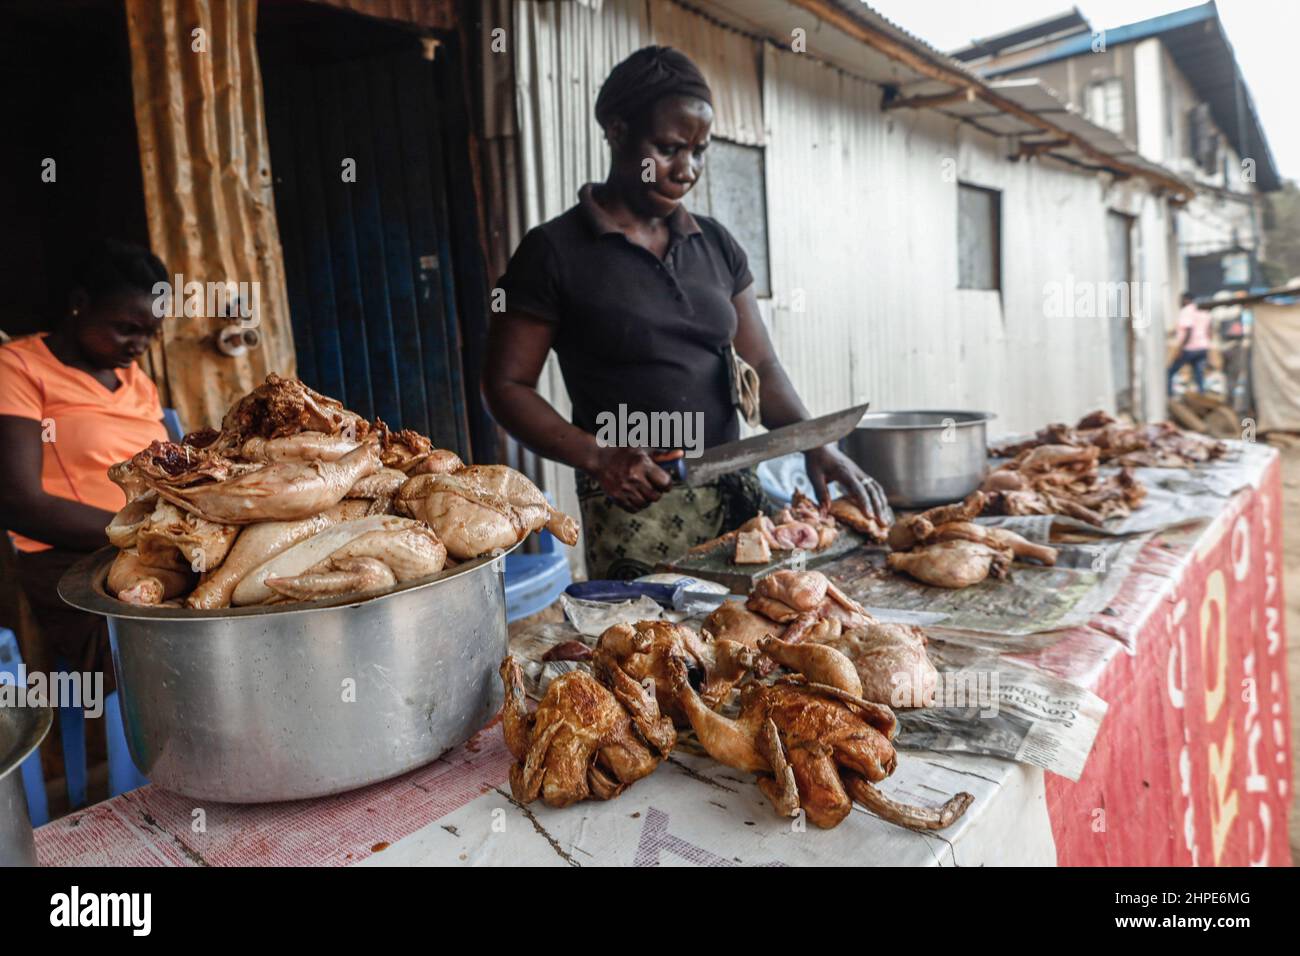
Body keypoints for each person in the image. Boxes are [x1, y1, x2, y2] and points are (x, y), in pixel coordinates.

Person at [484, 46, 889, 579]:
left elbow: (762, 366)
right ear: (617, 129)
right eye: (670, 148)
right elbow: (506, 385)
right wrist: (599, 457)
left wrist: (815, 444)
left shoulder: (715, 243)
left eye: (700, 151)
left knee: (751, 639)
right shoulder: (555, 251)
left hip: (735, 495)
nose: (687, 170)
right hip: (637, 503)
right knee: (659, 652)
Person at [0, 238, 168, 705]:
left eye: (150, 333)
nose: (138, 346)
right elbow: (18, 503)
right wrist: (141, 535)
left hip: (157, 547)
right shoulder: (19, 369)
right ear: (80, 305)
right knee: (172, 646)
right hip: (76, 560)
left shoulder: (138, 382)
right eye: (126, 328)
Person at [1168, 292, 1212, 395]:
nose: (1179, 303)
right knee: (1199, 374)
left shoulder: (1186, 311)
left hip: (1190, 348)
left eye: (1181, 300)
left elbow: (1188, 331)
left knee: (1170, 372)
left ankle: (1169, 396)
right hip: (1203, 347)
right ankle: (1201, 395)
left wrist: (1180, 348)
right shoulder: (1203, 310)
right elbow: (1209, 330)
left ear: (1186, 300)